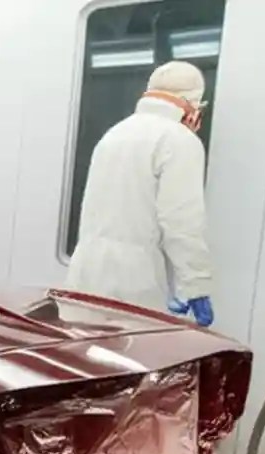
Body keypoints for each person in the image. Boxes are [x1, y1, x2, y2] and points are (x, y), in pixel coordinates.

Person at [66, 61, 216, 327]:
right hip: (135, 280)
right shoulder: (180, 141)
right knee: (138, 360)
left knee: (88, 357)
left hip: (85, 271)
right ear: (192, 105)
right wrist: (195, 285)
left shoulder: (114, 134)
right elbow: (181, 221)